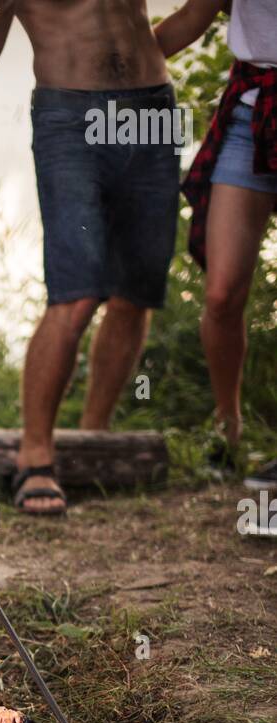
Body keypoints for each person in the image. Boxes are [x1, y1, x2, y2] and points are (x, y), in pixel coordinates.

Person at [0, 0, 182, 515]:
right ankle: (34, 454)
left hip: (153, 110)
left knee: (134, 294)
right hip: (70, 117)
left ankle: (91, 438)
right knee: (76, 294)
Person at [156, 0, 277, 481]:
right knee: (222, 293)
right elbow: (193, 15)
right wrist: (113, 72)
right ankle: (229, 429)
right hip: (252, 109)